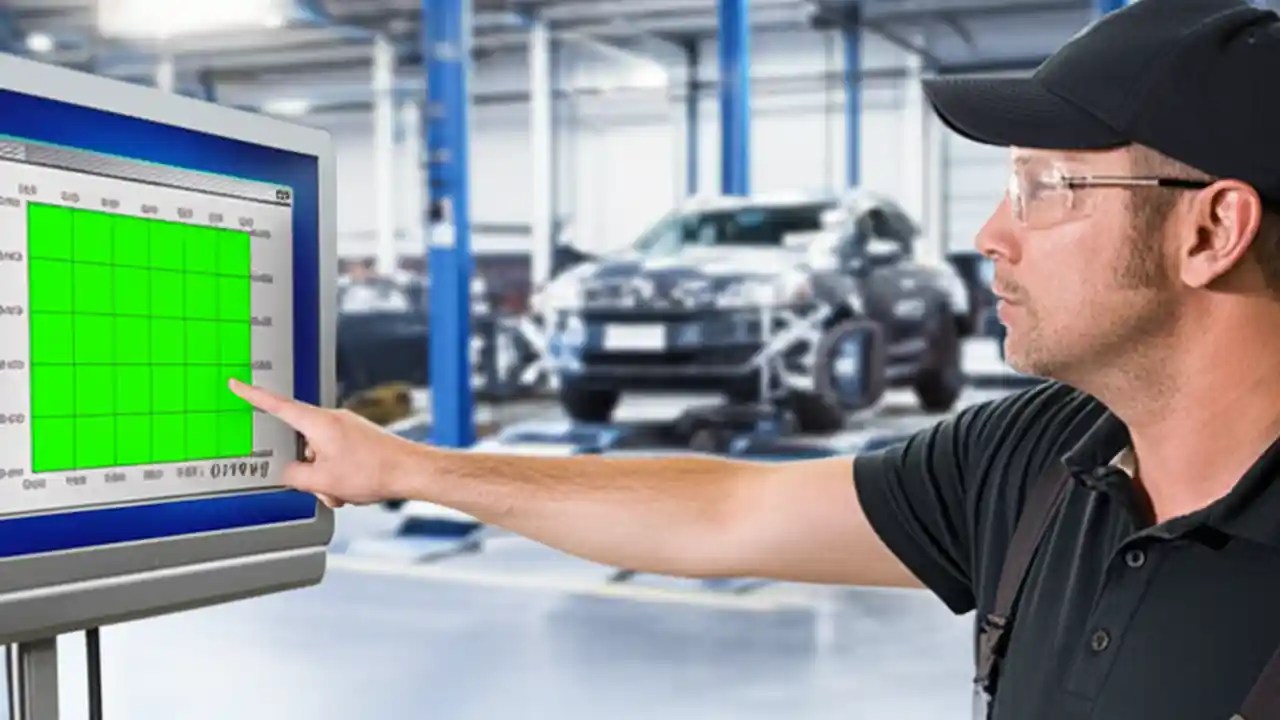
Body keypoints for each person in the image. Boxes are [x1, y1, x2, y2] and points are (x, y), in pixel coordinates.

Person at [230, 0, 1280, 717]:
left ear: (1210, 230)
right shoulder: (1042, 459)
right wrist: (407, 467)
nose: (989, 235)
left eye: (1044, 189)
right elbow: (725, 511)